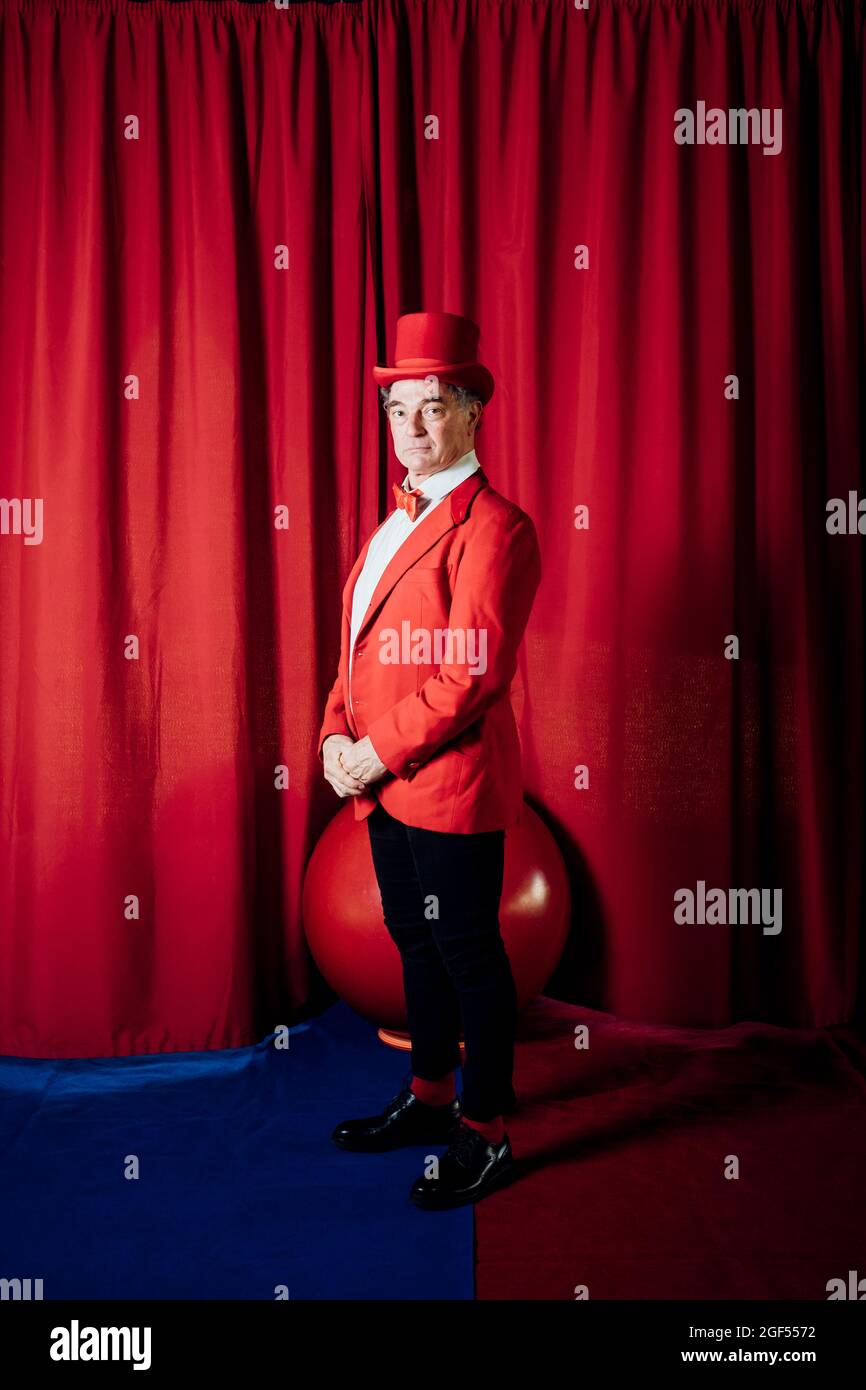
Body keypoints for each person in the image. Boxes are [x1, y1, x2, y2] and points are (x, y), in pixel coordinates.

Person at [317, 311, 541, 1209]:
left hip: (446, 785)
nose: (410, 428)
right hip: (382, 782)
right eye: (397, 409)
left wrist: (370, 752)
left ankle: (486, 1135)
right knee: (413, 943)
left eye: (432, 407)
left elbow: (468, 679)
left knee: (467, 955)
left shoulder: (499, 528)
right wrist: (333, 732)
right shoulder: (389, 524)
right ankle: (430, 1096)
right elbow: (357, 650)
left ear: (473, 414)